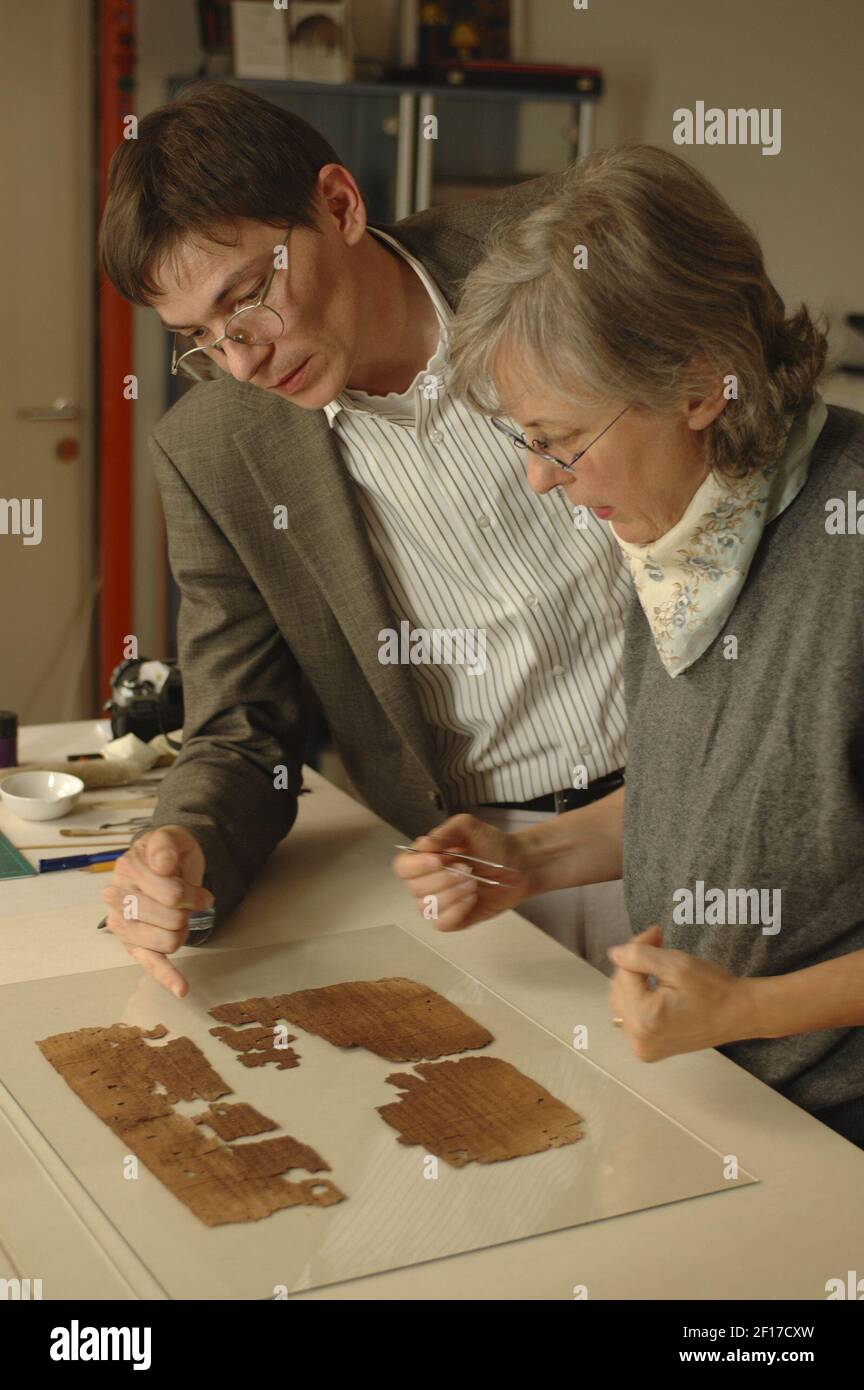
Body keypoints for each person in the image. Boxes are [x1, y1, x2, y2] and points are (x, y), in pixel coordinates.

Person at [96, 82, 633, 996]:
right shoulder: (216, 448)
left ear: (339, 205)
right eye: (198, 338)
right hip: (465, 867)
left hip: (691, 802)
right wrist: (183, 844)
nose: (242, 360)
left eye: (248, 299)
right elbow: (243, 727)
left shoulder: (561, 252)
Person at [393, 144, 864, 1148]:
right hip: (709, 1097)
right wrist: (525, 856)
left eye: (561, 439)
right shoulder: (689, 516)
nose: (541, 479)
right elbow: (720, 793)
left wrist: (746, 1011)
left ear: (700, 388)